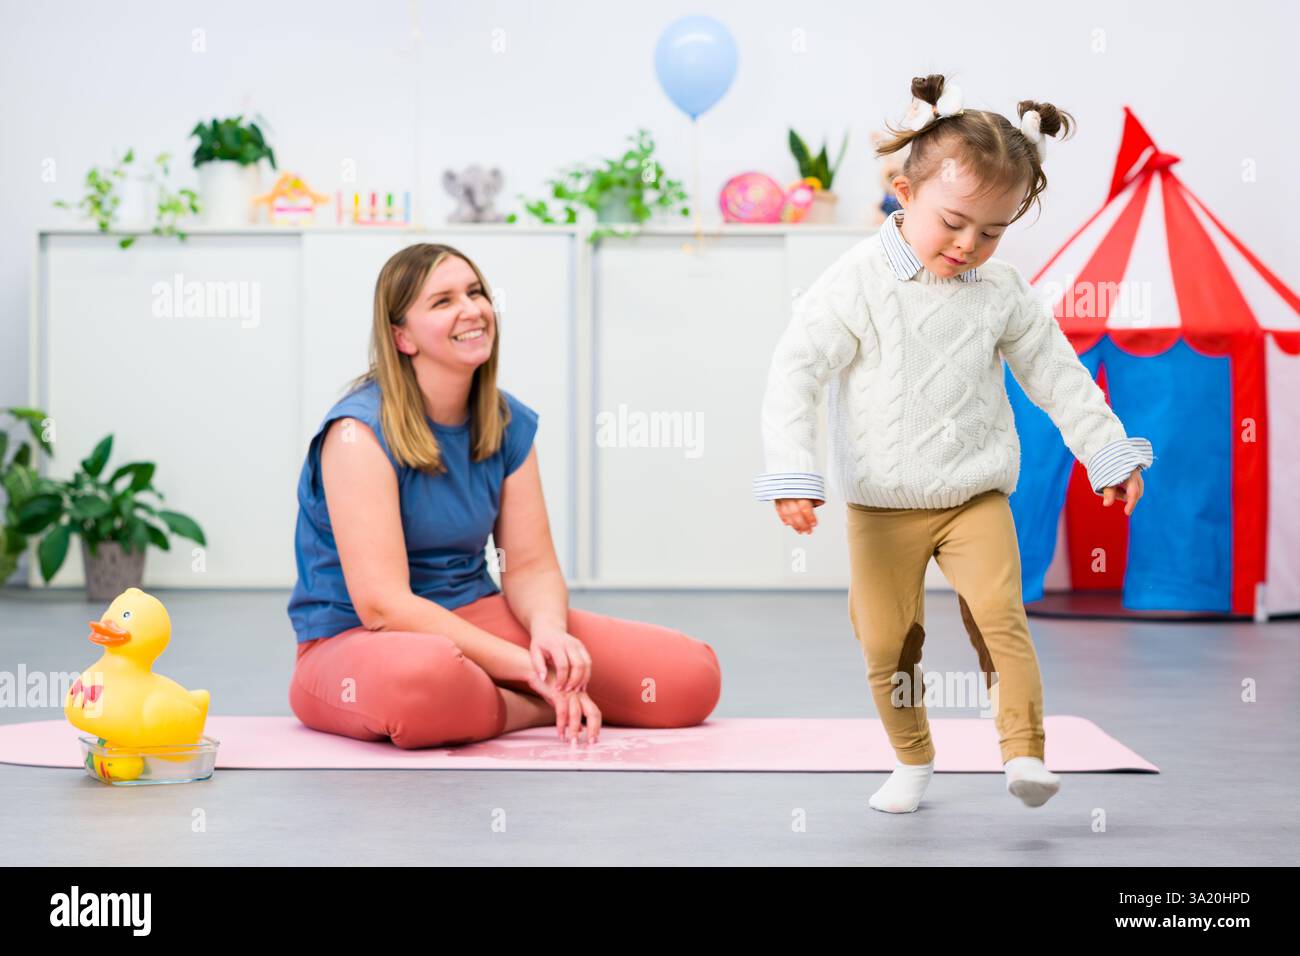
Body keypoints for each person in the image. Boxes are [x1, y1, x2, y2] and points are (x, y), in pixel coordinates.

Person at [752, 73, 1155, 812]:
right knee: (885, 643)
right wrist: (792, 473)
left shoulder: (1001, 292)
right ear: (904, 191)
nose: (970, 244)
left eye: (993, 231)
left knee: (1001, 615)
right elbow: (795, 373)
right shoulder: (855, 282)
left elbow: (1058, 377)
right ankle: (912, 760)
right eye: (955, 222)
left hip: (973, 493)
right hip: (883, 505)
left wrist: (1108, 451)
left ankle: (1024, 753)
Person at [286, 243, 721, 749]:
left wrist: (550, 637)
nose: (471, 309)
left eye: (475, 293)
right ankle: (525, 708)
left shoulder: (506, 422)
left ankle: (483, 692)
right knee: (426, 681)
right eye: (443, 301)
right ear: (401, 336)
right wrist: (528, 671)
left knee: (686, 678)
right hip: (357, 641)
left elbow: (530, 566)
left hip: (474, 615)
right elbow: (384, 606)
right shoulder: (357, 433)